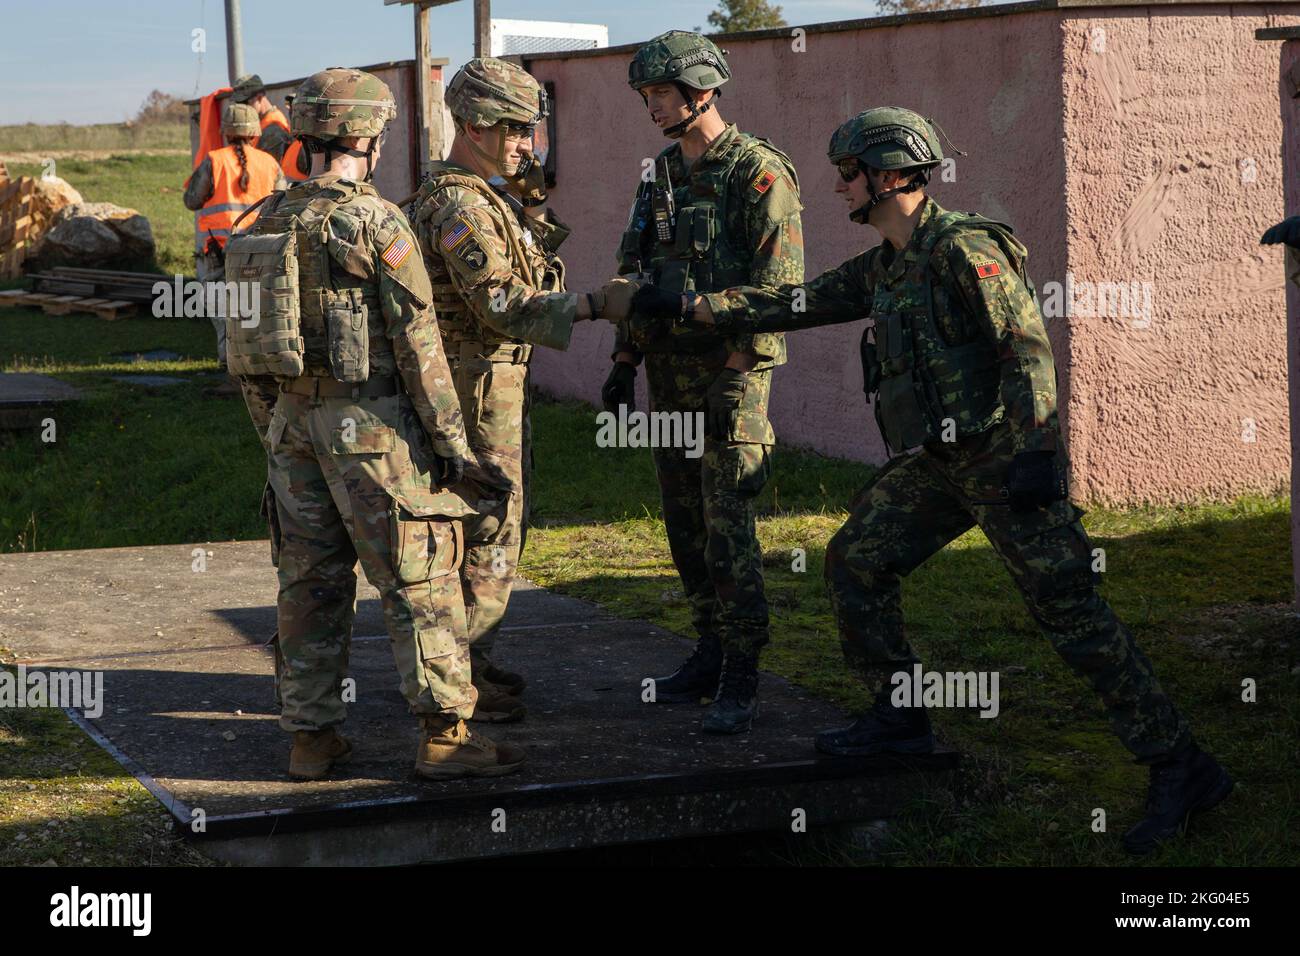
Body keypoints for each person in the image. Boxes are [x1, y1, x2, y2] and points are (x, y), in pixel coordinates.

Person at [629, 107, 1232, 854]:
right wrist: (690, 305)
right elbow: (797, 301)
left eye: (847, 172)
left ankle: (1181, 764)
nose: (837, 185)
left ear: (888, 175)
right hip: (940, 466)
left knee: (1071, 616)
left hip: (1006, 461)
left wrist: (1038, 453)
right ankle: (900, 715)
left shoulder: (962, 248)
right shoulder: (888, 262)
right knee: (857, 557)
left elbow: (1025, 348)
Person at [225, 66, 526, 781]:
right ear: (365, 134)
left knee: (309, 585)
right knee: (419, 581)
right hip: (372, 433)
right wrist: (456, 450)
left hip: (293, 427)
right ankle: (446, 736)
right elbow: (420, 348)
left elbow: (242, 352)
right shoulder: (375, 220)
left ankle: (310, 739)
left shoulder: (262, 220)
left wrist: (275, 427)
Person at [409, 57, 640, 722]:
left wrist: (531, 203)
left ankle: (469, 665)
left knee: (488, 531)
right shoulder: (459, 205)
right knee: (489, 532)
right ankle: (460, 685)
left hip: (486, 387)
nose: (525, 144)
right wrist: (599, 304)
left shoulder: (484, 197)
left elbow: (526, 265)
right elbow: (505, 304)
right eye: (514, 130)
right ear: (476, 125)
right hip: (476, 391)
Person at [604, 31, 804, 735]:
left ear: (702, 90)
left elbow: (781, 290)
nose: (651, 107)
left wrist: (739, 369)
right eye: (647, 95)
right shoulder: (659, 173)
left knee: (728, 529)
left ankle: (744, 673)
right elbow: (635, 268)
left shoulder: (758, 174)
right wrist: (624, 362)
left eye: (660, 93)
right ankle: (709, 649)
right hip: (668, 375)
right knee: (685, 525)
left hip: (729, 380)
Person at [183, 101, 285, 365]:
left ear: (226, 132)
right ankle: (259, 364)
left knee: (222, 307)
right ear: (255, 133)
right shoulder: (271, 164)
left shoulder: (215, 161)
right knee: (258, 306)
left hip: (220, 249)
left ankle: (230, 367)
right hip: (261, 249)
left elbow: (192, 200)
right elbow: (282, 205)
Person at [230, 72, 308, 181]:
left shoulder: (274, 130)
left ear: (259, 97)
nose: (241, 107)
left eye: (244, 102)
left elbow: (266, 174)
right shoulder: (263, 124)